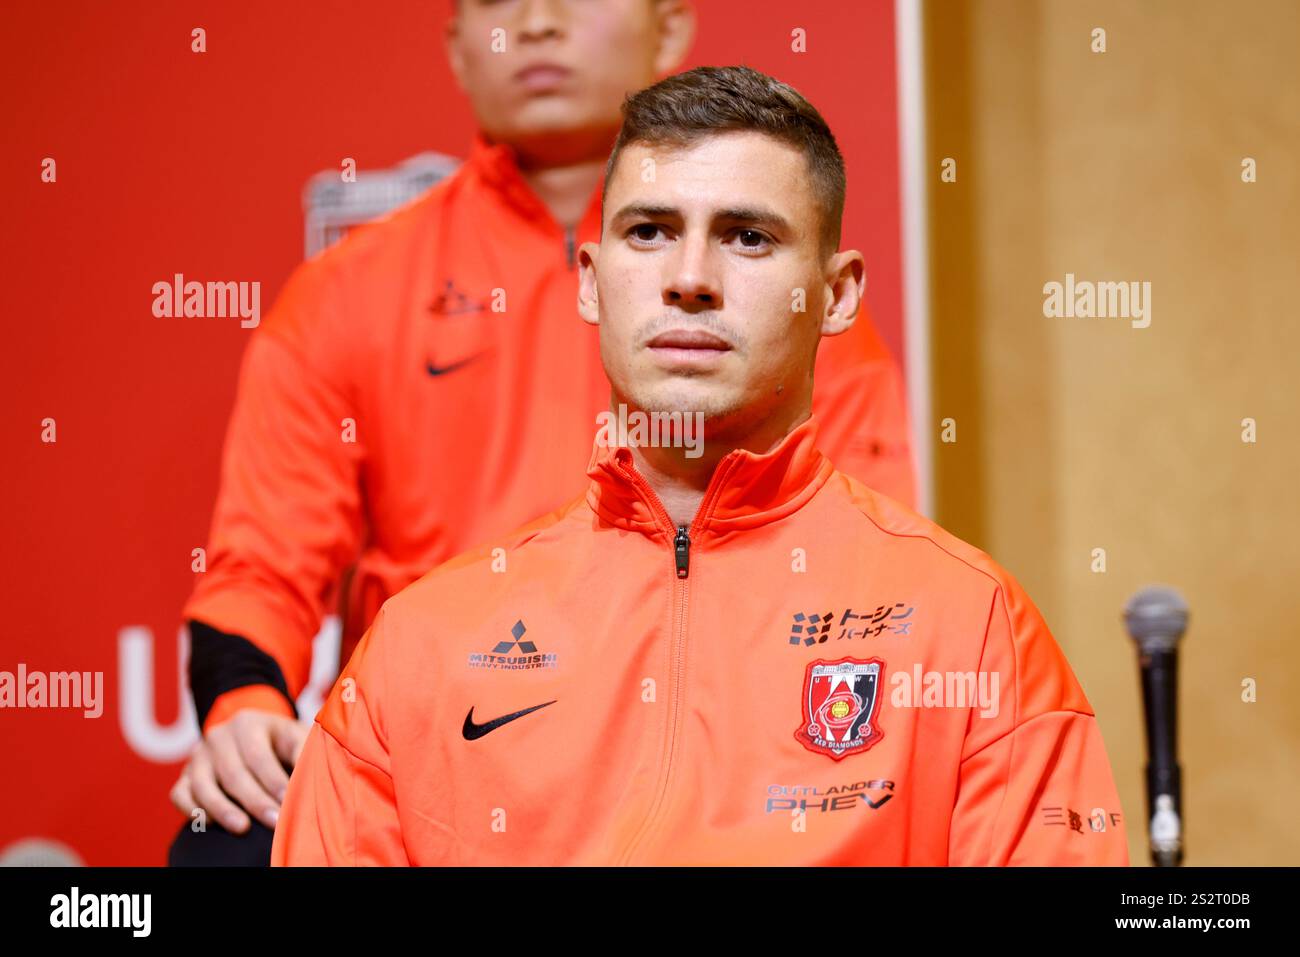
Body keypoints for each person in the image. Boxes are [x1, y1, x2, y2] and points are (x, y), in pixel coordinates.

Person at [271, 65, 1128, 866]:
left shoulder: (973, 629)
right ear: (591, 280)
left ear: (836, 295)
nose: (689, 278)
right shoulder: (419, 648)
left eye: (747, 237)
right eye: (649, 231)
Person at [169, 2, 915, 864]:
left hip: (711, 737)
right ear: (456, 49)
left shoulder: (775, 308)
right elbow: (260, 566)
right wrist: (242, 707)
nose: (535, 21)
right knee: (223, 842)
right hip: (442, 743)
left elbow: (860, 569)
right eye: (495, 1)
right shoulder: (348, 293)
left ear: (669, 29)